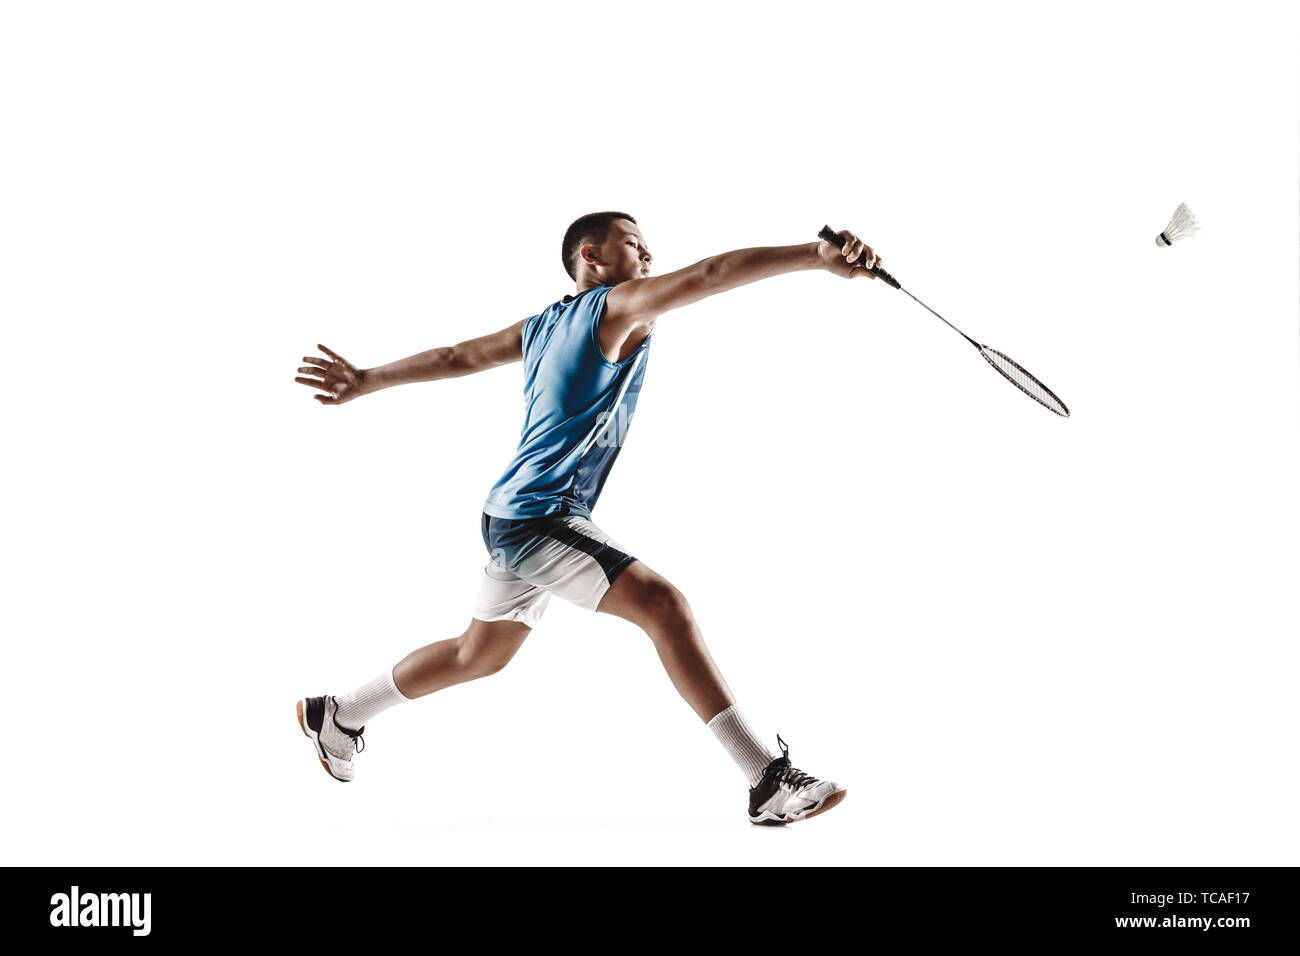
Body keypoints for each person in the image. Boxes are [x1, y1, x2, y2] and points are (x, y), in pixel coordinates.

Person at [293, 212, 882, 825]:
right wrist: (813, 256)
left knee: (479, 655)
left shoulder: (544, 324)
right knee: (664, 606)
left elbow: (458, 356)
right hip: (539, 516)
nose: (650, 256)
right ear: (592, 257)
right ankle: (766, 779)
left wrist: (367, 380)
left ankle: (340, 713)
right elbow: (712, 274)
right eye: (635, 244)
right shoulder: (612, 307)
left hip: (511, 512)